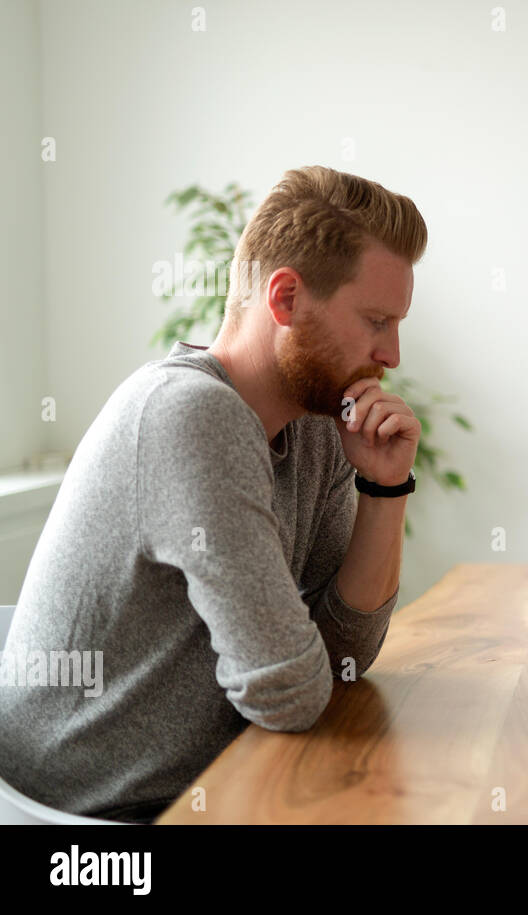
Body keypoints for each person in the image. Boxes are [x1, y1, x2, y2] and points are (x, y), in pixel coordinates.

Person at [0, 165, 426, 822]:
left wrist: (384, 485)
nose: (392, 353)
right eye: (375, 320)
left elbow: (340, 660)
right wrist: (299, 654)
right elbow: (291, 691)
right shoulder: (191, 414)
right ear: (284, 299)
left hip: (214, 787)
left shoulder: (316, 428)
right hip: (94, 823)